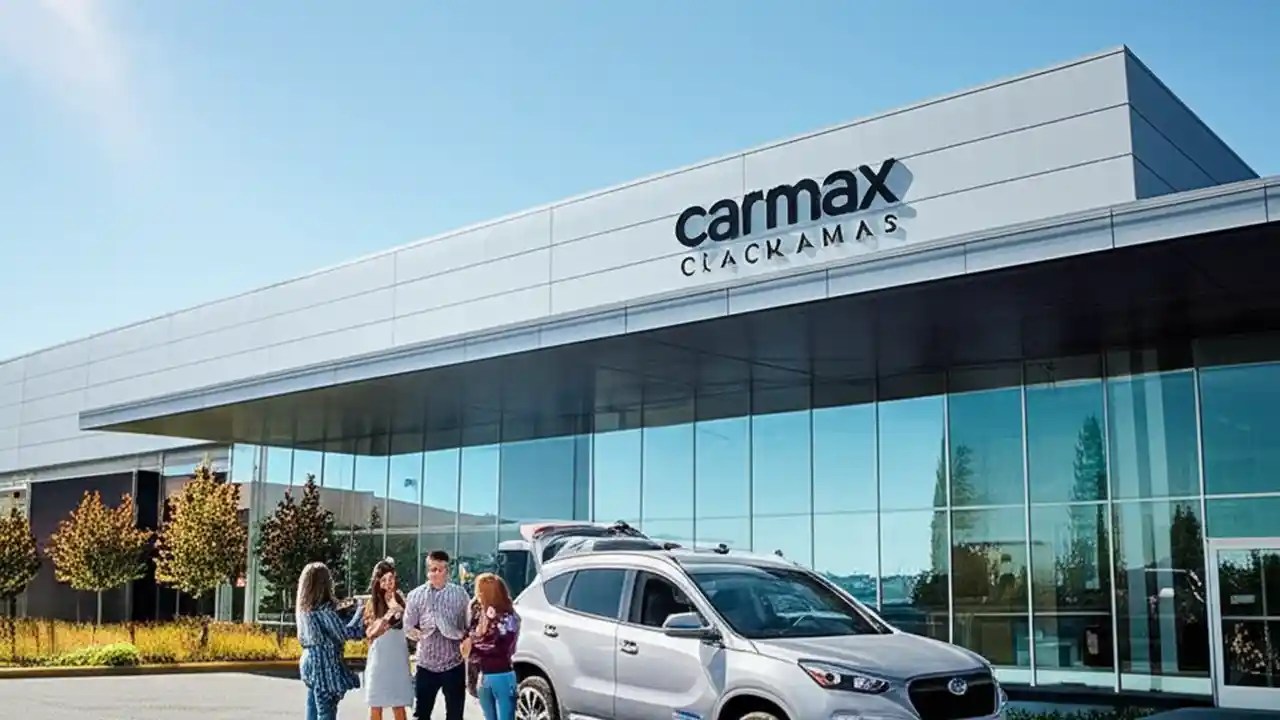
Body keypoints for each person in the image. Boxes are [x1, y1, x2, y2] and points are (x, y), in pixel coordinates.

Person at [403, 550, 470, 720]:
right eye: (432, 569)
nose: (436, 573)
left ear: (447, 571)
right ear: (427, 571)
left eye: (440, 569)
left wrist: (464, 638)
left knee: (455, 714)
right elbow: (407, 625)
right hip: (426, 664)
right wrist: (418, 634)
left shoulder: (460, 595)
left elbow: (468, 624)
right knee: (421, 714)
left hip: (454, 663)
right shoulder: (416, 595)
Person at [296, 561, 366, 720]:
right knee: (326, 712)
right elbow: (344, 633)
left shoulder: (305, 610)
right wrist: (361, 616)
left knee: (313, 708)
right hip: (324, 665)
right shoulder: (324, 610)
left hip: (308, 661)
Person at [357, 558, 415, 720]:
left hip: (398, 658)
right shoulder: (372, 603)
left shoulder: (401, 599)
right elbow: (371, 632)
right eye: (384, 580)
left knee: (399, 704)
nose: (389, 583)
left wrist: (397, 606)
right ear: (378, 582)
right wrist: (389, 614)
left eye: (391, 578)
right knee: (376, 703)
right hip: (379, 658)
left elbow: (409, 623)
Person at [467, 573, 521, 720]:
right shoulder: (509, 618)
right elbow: (505, 647)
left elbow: (473, 647)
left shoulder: (496, 618)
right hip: (499, 674)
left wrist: (476, 642)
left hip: (488, 674)